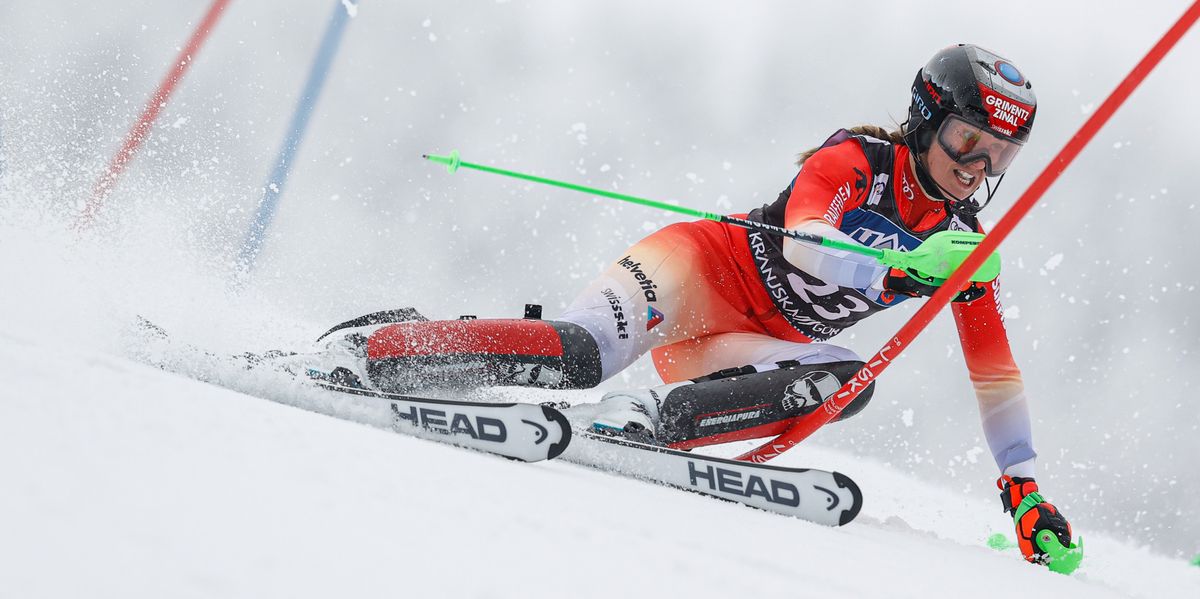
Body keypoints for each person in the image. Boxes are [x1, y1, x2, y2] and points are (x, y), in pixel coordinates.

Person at [322, 43, 1071, 565]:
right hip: (692, 276)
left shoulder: (965, 245)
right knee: (579, 356)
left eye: (998, 157)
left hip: (748, 344)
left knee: (847, 379)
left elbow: (993, 368)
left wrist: (1023, 486)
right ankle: (378, 347)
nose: (976, 170)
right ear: (924, 119)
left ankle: (646, 421)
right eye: (967, 140)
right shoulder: (854, 161)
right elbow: (808, 242)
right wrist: (903, 266)